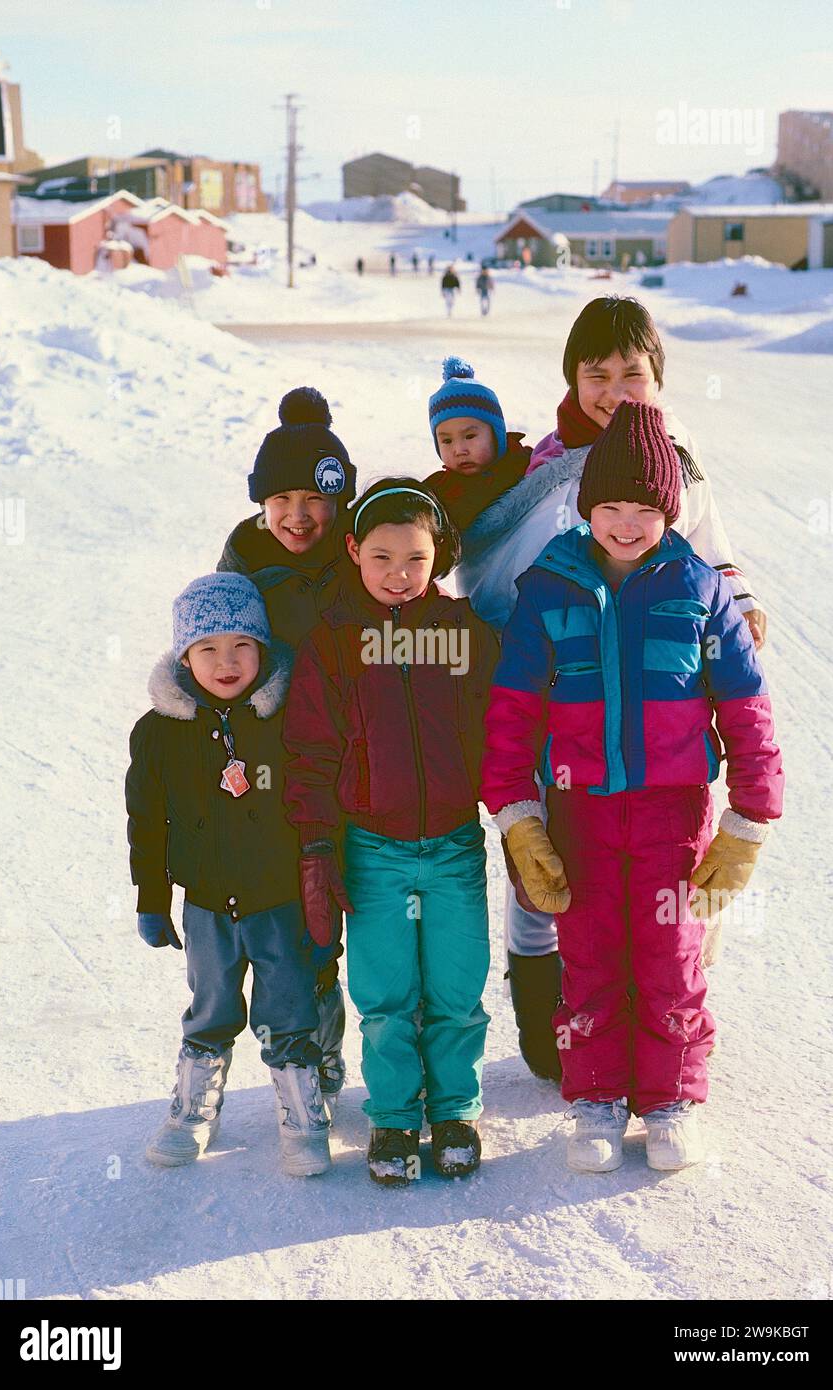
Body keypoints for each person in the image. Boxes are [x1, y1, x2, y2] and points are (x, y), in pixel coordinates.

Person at [455, 295, 771, 1086]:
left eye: (633, 374)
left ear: (656, 377)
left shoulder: (679, 458)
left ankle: (671, 1028)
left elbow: (709, 555)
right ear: (572, 377)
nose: (615, 391)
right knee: (546, 864)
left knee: (673, 881)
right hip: (557, 697)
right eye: (597, 375)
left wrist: (739, 601)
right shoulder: (550, 460)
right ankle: (544, 1015)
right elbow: (503, 557)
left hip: (657, 703)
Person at [480, 402, 783, 1171]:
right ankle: (596, 1098)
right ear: (586, 509)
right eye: (610, 507)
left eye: (644, 508)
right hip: (577, 812)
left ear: (669, 509)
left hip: (672, 812)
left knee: (668, 952)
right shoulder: (547, 589)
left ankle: (671, 1095)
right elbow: (511, 712)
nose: (624, 523)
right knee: (588, 954)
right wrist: (517, 815)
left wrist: (748, 818)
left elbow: (745, 707)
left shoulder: (698, 588)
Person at [281, 479, 500, 1186]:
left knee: (455, 988)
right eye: (380, 557)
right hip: (371, 848)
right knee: (384, 995)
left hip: (453, 843)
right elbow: (309, 755)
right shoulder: (334, 642)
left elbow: (503, 734)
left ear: (439, 555)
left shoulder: (466, 635)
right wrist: (317, 846)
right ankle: (396, 1117)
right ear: (352, 550)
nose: (398, 574)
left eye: (415, 558)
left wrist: (525, 820)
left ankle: (455, 1110)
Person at [126, 572, 332, 1176]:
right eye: (208, 648)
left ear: (263, 649)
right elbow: (148, 822)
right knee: (211, 1004)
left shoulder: (287, 719)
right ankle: (194, 1106)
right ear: (185, 657)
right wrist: (152, 898)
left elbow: (318, 800)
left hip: (280, 901)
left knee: (289, 1004)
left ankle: (302, 1111)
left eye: (241, 644)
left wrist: (325, 881)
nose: (226, 661)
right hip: (208, 906)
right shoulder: (161, 733)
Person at [216, 387, 357, 1102]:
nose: (298, 516)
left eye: (314, 499)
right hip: (283, 763)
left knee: (375, 907)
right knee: (306, 923)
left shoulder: (363, 549)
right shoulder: (243, 559)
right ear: (260, 503)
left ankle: (410, 1056)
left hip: (362, 760)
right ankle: (319, 1053)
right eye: (281, 500)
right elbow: (216, 657)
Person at [423, 356, 531, 532]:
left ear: (496, 435)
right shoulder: (438, 491)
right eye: (447, 441)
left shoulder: (526, 466)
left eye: (470, 436)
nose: (459, 450)